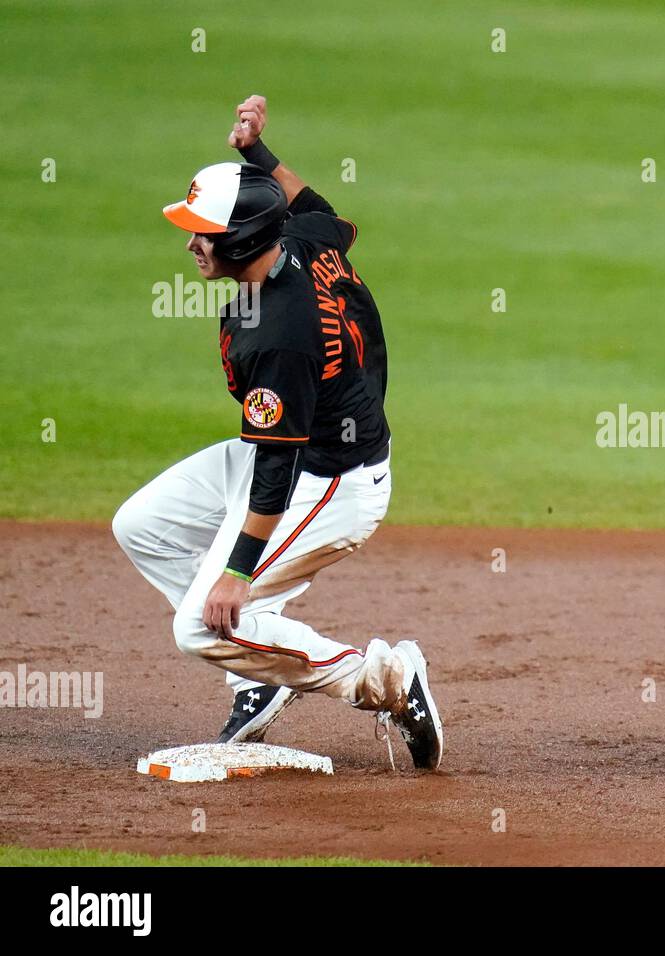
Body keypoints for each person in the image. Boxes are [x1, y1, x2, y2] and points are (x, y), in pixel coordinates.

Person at [113, 95, 442, 770]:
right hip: (294, 451)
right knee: (140, 525)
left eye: (202, 231)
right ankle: (257, 670)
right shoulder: (301, 239)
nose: (190, 242)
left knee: (201, 626)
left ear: (238, 240)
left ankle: (383, 683)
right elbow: (316, 205)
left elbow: (275, 469)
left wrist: (235, 573)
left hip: (327, 481)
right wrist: (256, 155)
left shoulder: (277, 336)